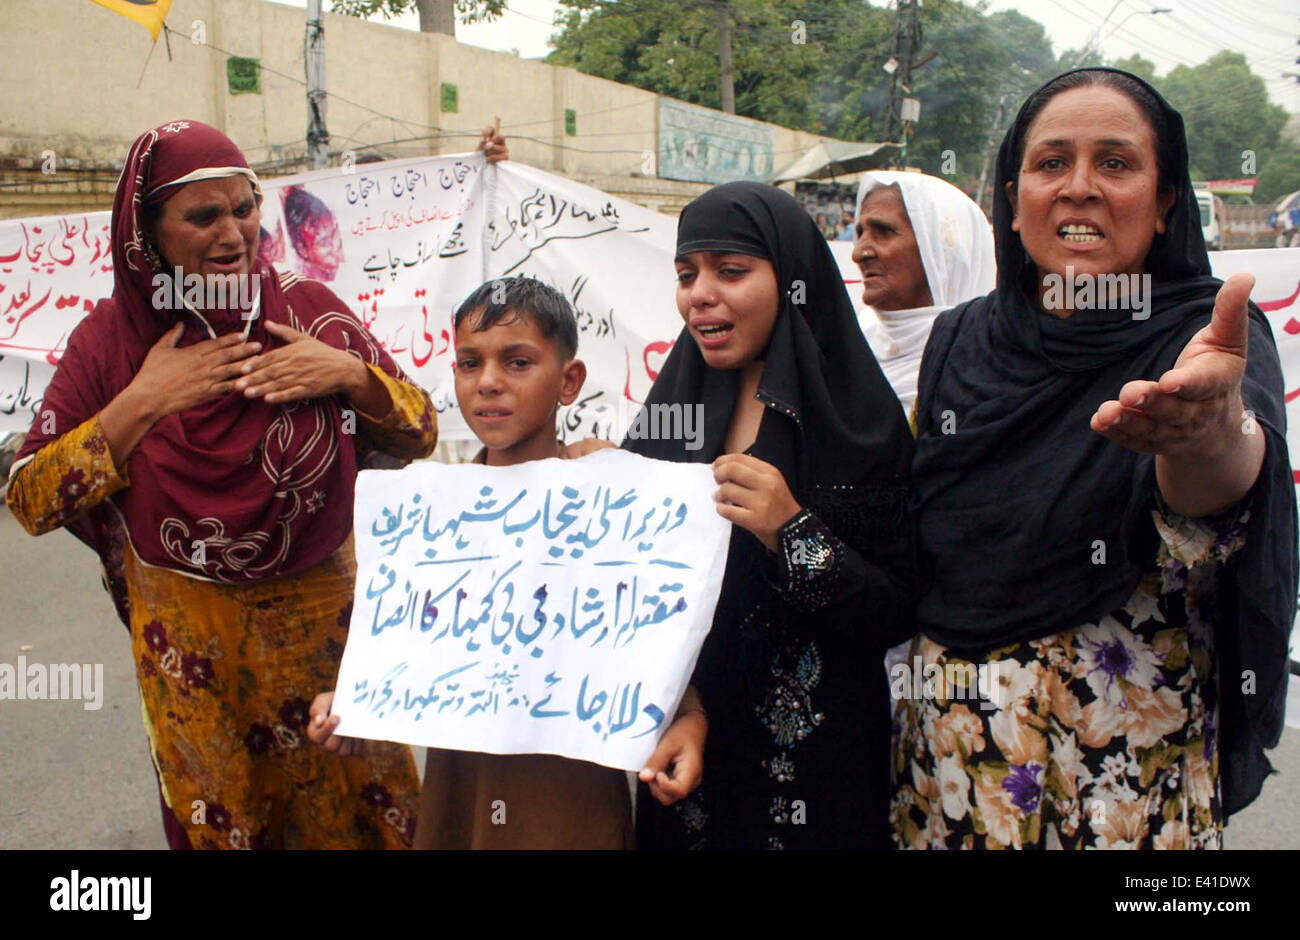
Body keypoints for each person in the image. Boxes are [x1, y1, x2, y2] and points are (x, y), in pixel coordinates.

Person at [4, 120, 450, 849]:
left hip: (332, 654)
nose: (234, 234)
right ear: (146, 234)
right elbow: (30, 499)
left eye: (244, 208)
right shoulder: (112, 343)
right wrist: (144, 402)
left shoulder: (309, 311)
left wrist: (348, 376)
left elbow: (420, 430)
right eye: (203, 216)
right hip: (198, 675)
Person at [895, 69, 1296, 849]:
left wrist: (1205, 435)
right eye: (1051, 164)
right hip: (950, 768)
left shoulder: (1204, 340)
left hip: (1126, 783)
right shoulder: (959, 340)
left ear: (1166, 199)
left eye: (1115, 163)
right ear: (1013, 200)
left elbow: (1219, 495)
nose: (1079, 187)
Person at [307, 276, 708, 849]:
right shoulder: (430, 515)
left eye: (517, 362)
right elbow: (402, 638)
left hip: (570, 792)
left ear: (569, 381)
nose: (489, 382)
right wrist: (351, 699)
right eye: (469, 364)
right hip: (460, 785)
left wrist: (689, 718)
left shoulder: (608, 503)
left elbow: (644, 633)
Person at [627, 181, 916, 849]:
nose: (700, 293)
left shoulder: (861, 426)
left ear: (792, 281)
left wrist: (792, 532)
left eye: (731, 271)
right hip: (685, 757)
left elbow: (897, 610)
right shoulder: (672, 418)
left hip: (814, 770)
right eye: (686, 274)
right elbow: (633, 599)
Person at [851, 171, 995, 416]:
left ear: (942, 251)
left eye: (883, 232)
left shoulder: (985, 365)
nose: (859, 253)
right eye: (859, 233)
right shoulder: (856, 339)